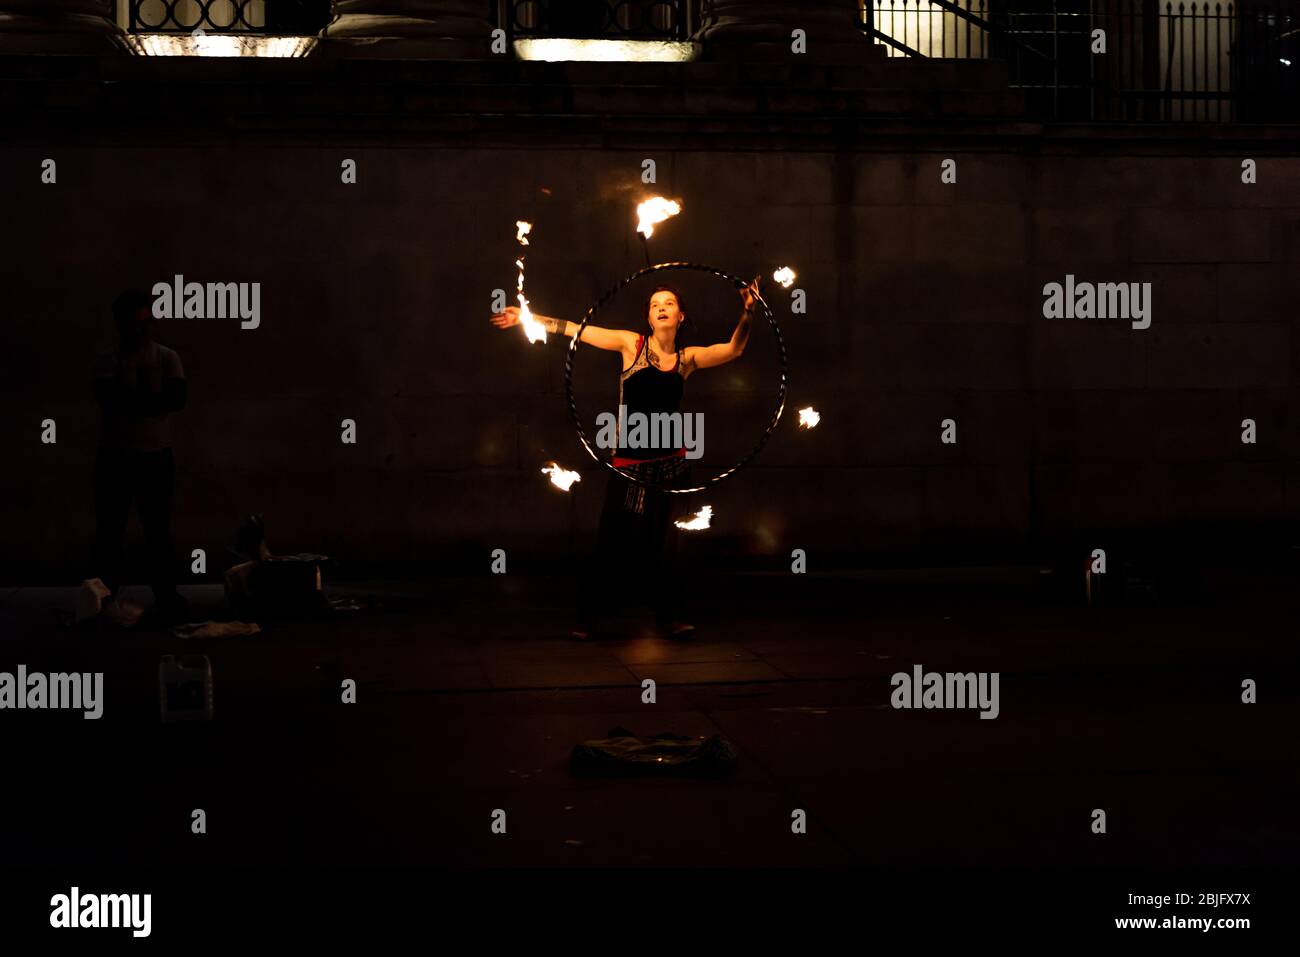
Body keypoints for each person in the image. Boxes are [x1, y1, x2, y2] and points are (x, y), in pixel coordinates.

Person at [491, 277, 759, 639]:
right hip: (630, 466)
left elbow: (733, 350)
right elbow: (574, 329)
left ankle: (668, 616)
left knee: (662, 543)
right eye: (654, 304)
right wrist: (527, 317)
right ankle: (590, 617)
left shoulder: (686, 358)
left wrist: (747, 312)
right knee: (614, 542)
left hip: (671, 465)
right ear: (649, 318)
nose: (661, 307)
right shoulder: (630, 344)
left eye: (668, 303)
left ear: (680, 316)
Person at [92, 289, 189, 624]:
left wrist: (134, 396)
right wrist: (150, 395)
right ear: (122, 325)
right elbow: (115, 401)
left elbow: (174, 400)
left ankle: (157, 596)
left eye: (146, 323)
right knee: (112, 531)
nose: (142, 331)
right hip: (123, 456)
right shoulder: (123, 360)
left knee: (154, 530)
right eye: (136, 324)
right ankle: (112, 597)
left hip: (148, 455)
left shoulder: (162, 357)